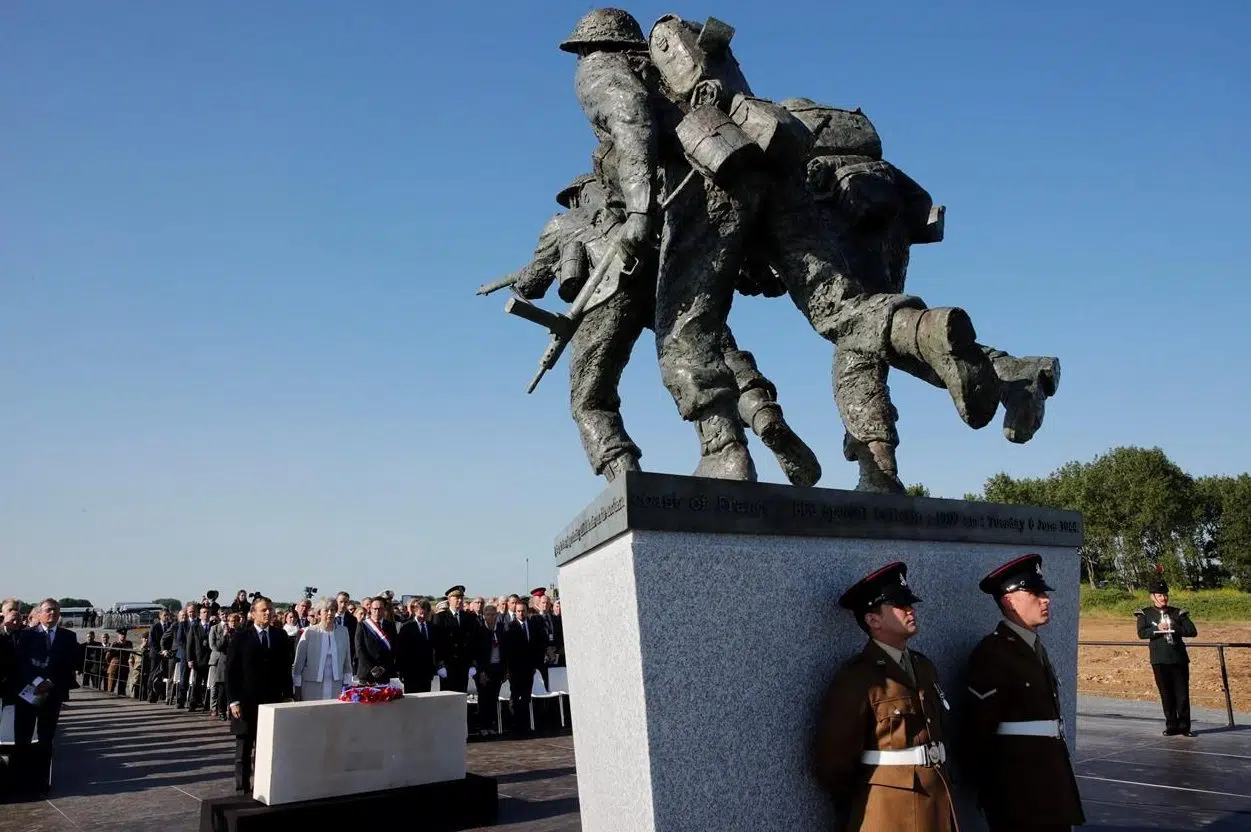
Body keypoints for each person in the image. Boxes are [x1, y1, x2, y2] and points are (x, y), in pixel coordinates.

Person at [812, 562, 955, 830]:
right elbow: (835, 762)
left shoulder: (923, 667)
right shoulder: (858, 677)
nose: (911, 610)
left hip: (936, 805)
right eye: (900, 606)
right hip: (891, 811)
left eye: (909, 603)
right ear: (873, 619)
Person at [965, 554, 1084, 831]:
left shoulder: (1034, 648)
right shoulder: (994, 652)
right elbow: (979, 728)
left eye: (1044, 592)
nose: (1046, 599)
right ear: (1009, 601)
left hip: (1049, 778)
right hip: (1018, 786)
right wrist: (994, 789)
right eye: (1035, 593)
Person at [225, 596, 293, 795]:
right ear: (253, 613)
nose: (268, 613)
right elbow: (231, 671)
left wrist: (288, 695)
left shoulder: (279, 636)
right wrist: (233, 700)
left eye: (270, 609)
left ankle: (263, 788)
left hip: (271, 701)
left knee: (267, 748)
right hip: (245, 702)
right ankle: (242, 789)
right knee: (243, 751)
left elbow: (285, 668)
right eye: (263, 610)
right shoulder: (241, 637)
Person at [13, 598, 80, 794]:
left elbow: (70, 664)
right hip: (29, 693)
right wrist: (36, 682)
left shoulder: (68, 636)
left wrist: (51, 682)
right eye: (49, 610)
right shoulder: (26, 635)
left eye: (56, 611)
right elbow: (21, 663)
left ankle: (41, 782)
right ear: (40, 613)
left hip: (53, 693)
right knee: (22, 738)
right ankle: (19, 781)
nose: (52, 613)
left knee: (46, 739)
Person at [1136, 577, 1198, 737]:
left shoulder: (1178, 612)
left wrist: (1174, 627)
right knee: (1166, 694)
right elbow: (1142, 634)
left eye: (1165, 595)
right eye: (1159, 595)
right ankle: (1171, 725)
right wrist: (1157, 630)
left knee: (1182, 694)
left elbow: (1192, 631)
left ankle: (1185, 727)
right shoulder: (1145, 614)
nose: (1163, 598)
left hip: (1178, 659)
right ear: (1152, 597)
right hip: (1159, 659)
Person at [293, 599, 353, 701]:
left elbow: (347, 661)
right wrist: (297, 688)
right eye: (326, 610)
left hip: (336, 685)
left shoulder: (343, 631)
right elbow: (299, 663)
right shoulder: (309, 632)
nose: (330, 613)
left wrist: (348, 684)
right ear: (319, 613)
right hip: (311, 685)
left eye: (333, 610)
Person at [354, 596, 398, 685]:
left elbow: (394, 648)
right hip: (367, 673)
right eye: (375, 609)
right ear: (370, 609)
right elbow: (360, 649)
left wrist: (383, 668)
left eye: (380, 609)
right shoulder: (362, 626)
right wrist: (373, 668)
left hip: (385, 673)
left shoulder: (390, 626)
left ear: (384, 609)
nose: (377, 611)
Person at [396, 598, 436, 694]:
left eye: (425, 614)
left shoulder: (432, 627)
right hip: (411, 672)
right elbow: (400, 650)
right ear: (415, 611)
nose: (422, 616)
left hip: (426, 672)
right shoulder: (406, 626)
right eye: (420, 613)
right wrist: (400, 670)